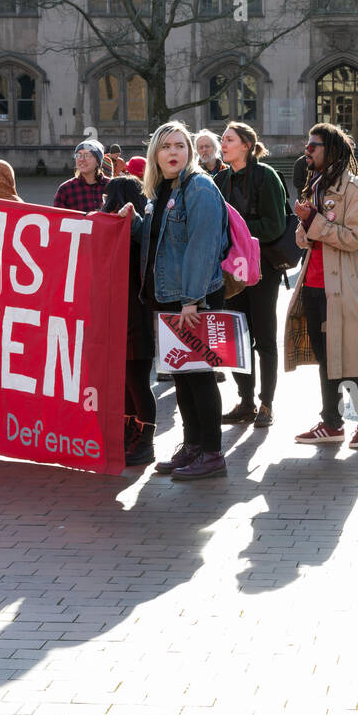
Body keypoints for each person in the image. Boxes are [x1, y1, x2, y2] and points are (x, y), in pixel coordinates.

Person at [122, 120, 230, 480]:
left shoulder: (199, 187)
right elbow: (159, 241)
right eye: (166, 146)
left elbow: (202, 246)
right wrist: (133, 221)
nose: (173, 152)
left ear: (190, 152)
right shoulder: (162, 191)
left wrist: (191, 300)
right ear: (156, 153)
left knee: (200, 376)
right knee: (182, 378)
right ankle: (193, 446)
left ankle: (212, 452)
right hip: (167, 300)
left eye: (180, 146)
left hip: (190, 299)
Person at [284, 122, 358, 448]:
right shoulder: (316, 185)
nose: (307, 150)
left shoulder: (355, 189)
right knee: (327, 356)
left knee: (344, 354)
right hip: (314, 282)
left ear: (332, 150)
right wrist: (306, 223)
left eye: (313, 145)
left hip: (339, 286)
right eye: (307, 144)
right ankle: (332, 422)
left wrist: (313, 222)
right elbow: (306, 239)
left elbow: (353, 239)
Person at [215, 120, 288, 429]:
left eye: (229, 139)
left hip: (262, 269)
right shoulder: (220, 180)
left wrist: (239, 229)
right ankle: (245, 401)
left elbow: (276, 225)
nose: (223, 144)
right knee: (236, 336)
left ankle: (266, 403)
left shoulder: (266, 176)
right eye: (223, 139)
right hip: (231, 270)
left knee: (264, 337)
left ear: (245, 145)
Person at [101, 169, 156, 465]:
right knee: (127, 383)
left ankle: (144, 441)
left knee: (136, 383)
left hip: (135, 321)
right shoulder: (122, 233)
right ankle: (130, 436)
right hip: (127, 320)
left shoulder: (135, 235)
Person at [53, 139, 108, 212]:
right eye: (78, 155)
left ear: (98, 162)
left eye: (87, 155)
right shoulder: (65, 189)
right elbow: (57, 218)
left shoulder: (112, 186)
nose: (81, 159)